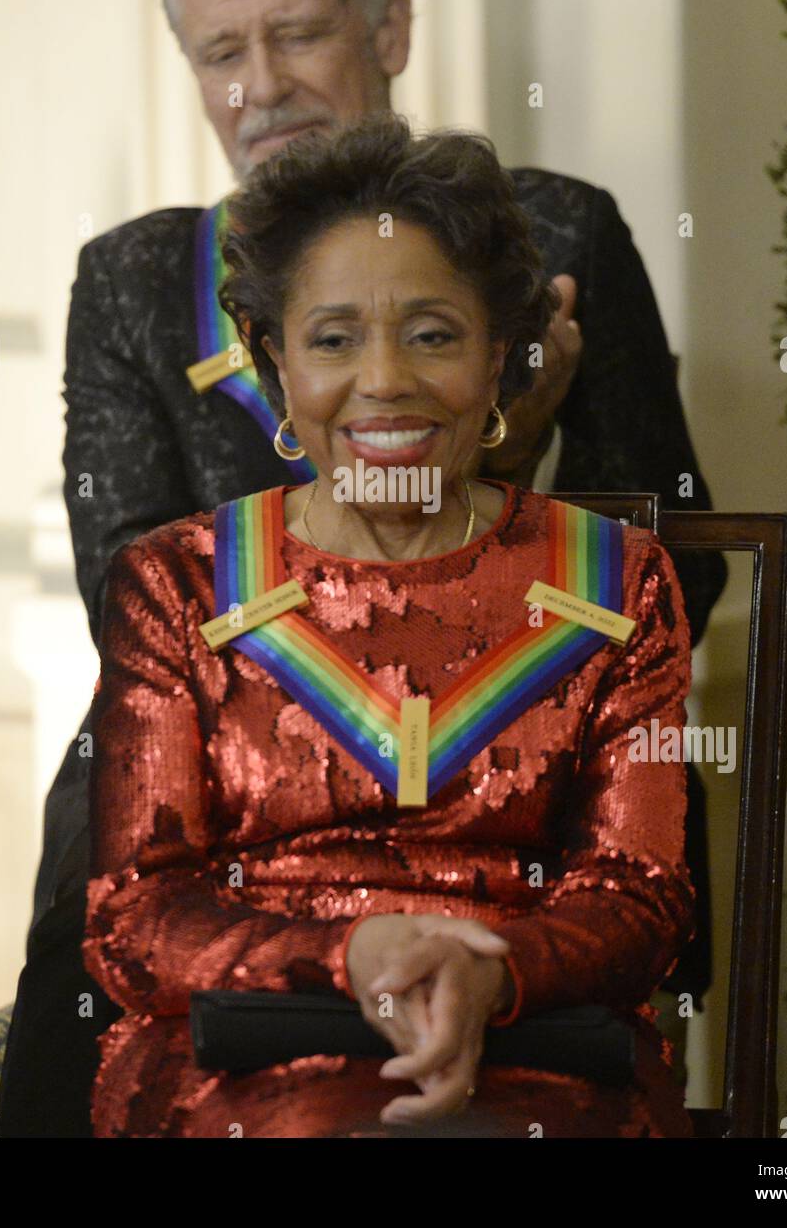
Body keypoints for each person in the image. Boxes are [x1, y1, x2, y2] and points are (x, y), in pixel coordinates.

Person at [0, 0, 723, 1137]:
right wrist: (490, 447)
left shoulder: (553, 234)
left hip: (524, 785)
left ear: (386, 21)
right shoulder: (134, 276)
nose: (259, 87)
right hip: (214, 788)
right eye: (221, 54)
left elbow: (677, 549)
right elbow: (128, 588)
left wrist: (482, 490)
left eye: (297, 35)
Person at [82, 113, 696, 1137]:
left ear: (498, 355)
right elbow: (131, 917)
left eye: (431, 335)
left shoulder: (615, 582)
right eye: (333, 339)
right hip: (245, 1050)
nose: (384, 382)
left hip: (533, 1044)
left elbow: (640, 899)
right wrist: (348, 957)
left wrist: (485, 975)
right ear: (275, 362)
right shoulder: (176, 584)